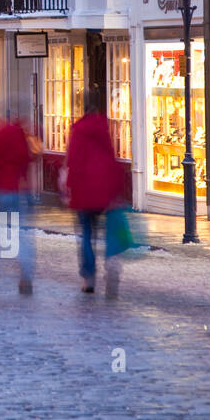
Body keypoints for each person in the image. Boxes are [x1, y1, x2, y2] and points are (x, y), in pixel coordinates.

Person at [64, 99, 129, 297]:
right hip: (104, 190)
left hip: (84, 191)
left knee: (85, 236)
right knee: (109, 231)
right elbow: (111, 158)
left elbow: (73, 162)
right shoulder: (103, 129)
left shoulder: (78, 131)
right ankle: (112, 267)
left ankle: (89, 278)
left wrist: (69, 187)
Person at [0, 117, 35, 295]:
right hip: (18, 191)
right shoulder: (20, 140)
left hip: (1, 191)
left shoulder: (1, 138)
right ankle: (25, 279)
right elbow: (27, 161)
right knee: (22, 236)